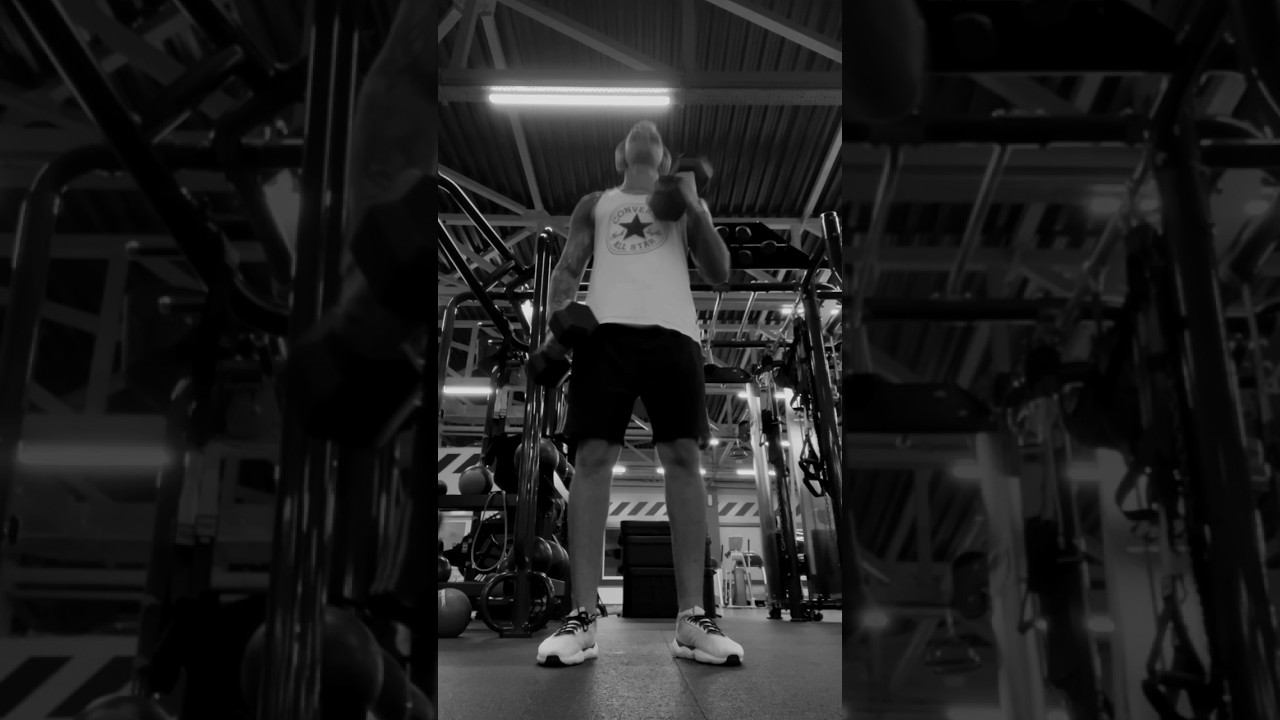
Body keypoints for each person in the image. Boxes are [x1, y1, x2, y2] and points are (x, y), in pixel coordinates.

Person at [534, 120, 741, 667]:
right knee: (591, 458)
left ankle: (692, 618)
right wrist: (557, 327)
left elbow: (720, 272)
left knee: (684, 458)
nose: (644, 128)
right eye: (634, 131)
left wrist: (695, 207)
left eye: (655, 133)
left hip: (676, 335)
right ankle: (582, 617)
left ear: (665, 157)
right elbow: (569, 267)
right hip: (604, 336)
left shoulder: (682, 200)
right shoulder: (596, 203)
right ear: (620, 155)